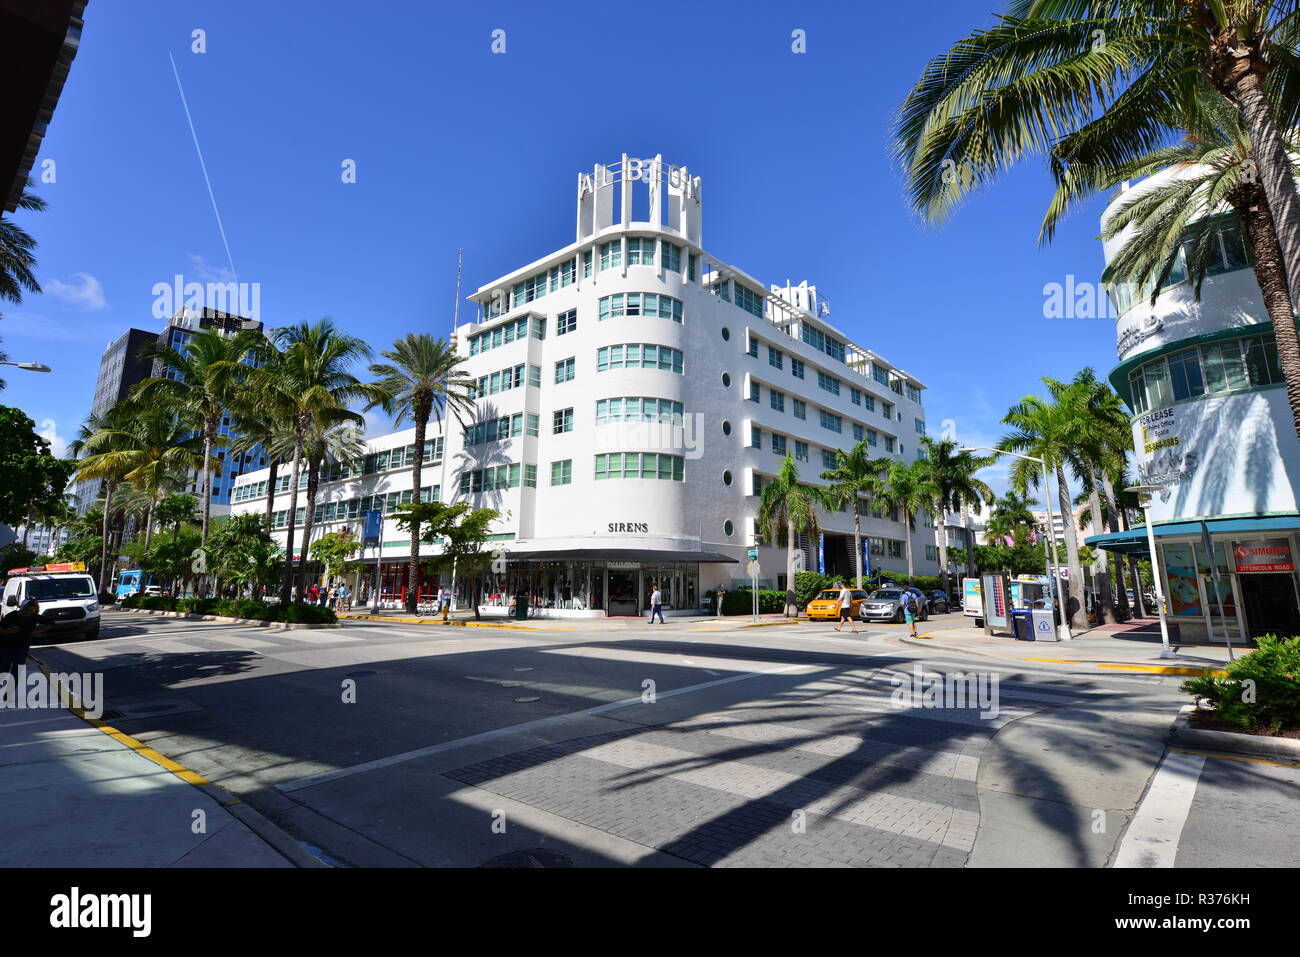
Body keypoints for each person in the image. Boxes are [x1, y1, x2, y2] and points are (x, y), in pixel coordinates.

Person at [0, 599, 53, 680]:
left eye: (31, 611)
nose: (28, 613)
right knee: (3, 670)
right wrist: (7, 631)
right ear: (22, 608)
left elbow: (51, 623)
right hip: (7, 647)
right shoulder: (12, 616)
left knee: (17, 670)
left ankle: (10, 690)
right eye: (27, 610)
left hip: (22, 647)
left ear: (34, 611)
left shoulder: (34, 617)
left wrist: (38, 632)